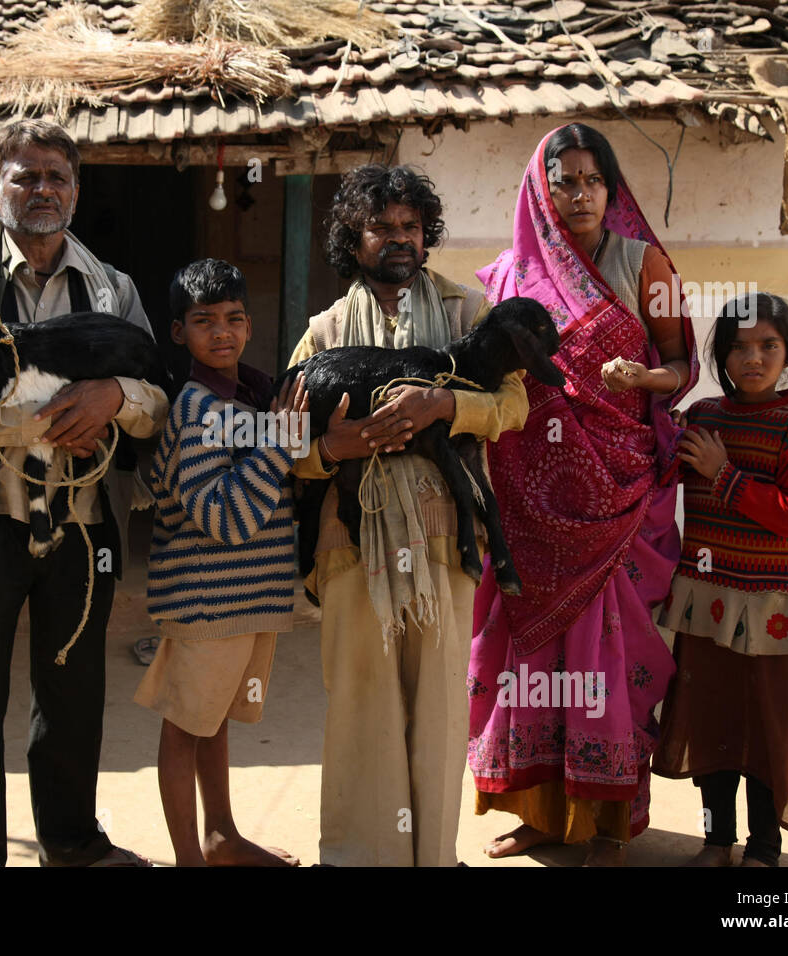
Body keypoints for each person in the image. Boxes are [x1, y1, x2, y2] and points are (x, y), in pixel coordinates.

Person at [0, 120, 168, 867]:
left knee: (74, 690)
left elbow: (156, 391)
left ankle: (73, 841)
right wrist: (35, 420)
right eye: (25, 177)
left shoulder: (113, 287)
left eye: (57, 176)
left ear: (76, 192)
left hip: (80, 522)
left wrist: (113, 396)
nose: (42, 189)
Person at [468, 123, 697, 866]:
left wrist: (642, 381)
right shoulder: (509, 277)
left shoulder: (643, 262)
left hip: (618, 494)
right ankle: (539, 810)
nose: (580, 193)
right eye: (563, 180)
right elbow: (491, 380)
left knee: (605, 656)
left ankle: (602, 821)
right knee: (534, 655)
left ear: (612, 186)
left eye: (592, 178)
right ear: (542, 191)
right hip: (530, 506)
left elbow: (680, 365)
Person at [288, 164, 529, 867]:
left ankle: (432, 855)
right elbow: (288, 445)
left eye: (410, 227)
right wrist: (333, 447)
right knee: (361, 698)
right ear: (351, 240)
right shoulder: (324, 332)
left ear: (426, 236)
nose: (398, 239)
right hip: (350, 539)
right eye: (381, 227)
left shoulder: (466, 313)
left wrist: (445, 406)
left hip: (444, 537)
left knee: (438, 707)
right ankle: (360, 856)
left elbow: (514, 406)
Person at [135, 259, 305, 867]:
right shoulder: (198, 407)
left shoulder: (256, 394)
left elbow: (291, 462)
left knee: (215, 721)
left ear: (250, 325)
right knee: (185, 728)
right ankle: (189, 856)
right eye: (204, 322)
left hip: (248, 599)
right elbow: (222, 517)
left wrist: (291, 441)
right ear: (179, 334)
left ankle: (222, 836)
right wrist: (282, 446)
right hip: (206, 601)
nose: (222, 333)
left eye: (233, 319)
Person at [654, 293, 788, 866]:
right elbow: (655, 468)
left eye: (768, 346)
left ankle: (763, 847)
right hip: (706, 601)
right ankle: (715, 840)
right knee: (712, 724)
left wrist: (723, 474)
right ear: (721, 356)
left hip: (770, 606)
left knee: (765, 729)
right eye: (738, 347)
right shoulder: (703, 417)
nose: (753, 358)